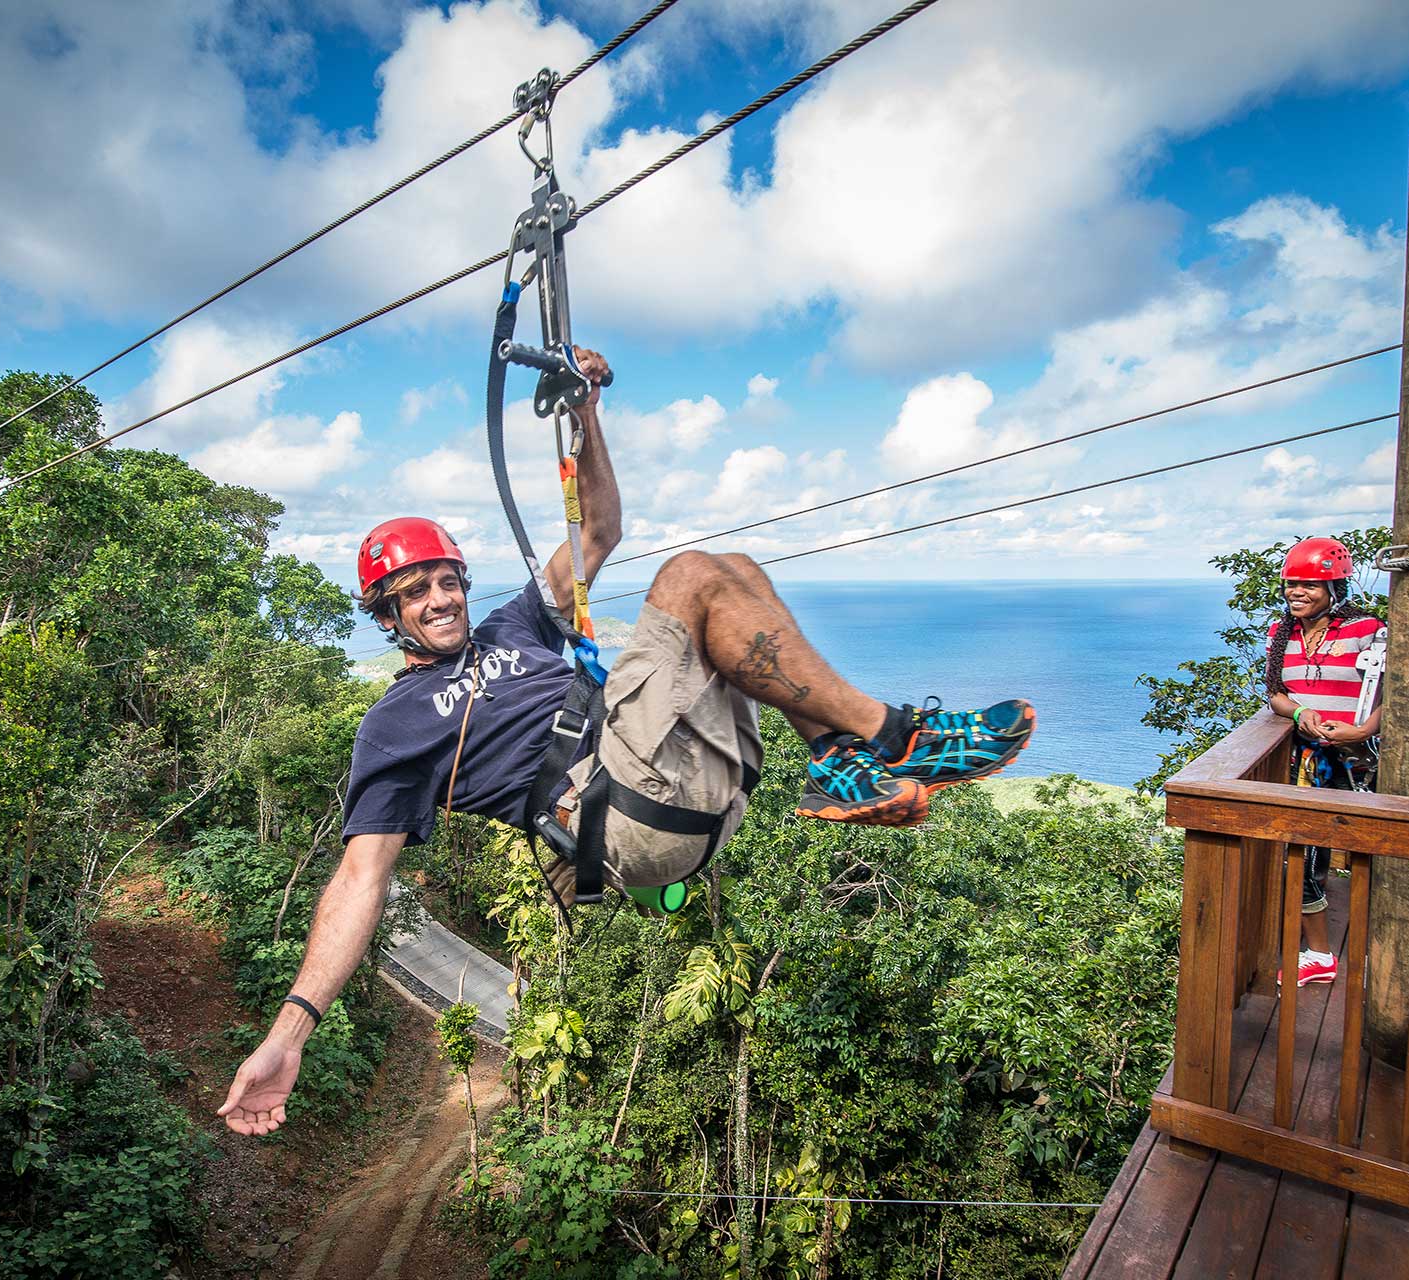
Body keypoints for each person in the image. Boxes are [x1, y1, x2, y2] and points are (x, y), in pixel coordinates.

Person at [219, 346, 1034, 1135]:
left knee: (737, 570)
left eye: (445, 580)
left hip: (687, 776)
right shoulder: (392, 726)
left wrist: (587, 415)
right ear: (388, 615)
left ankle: (840, 767)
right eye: (414, 592)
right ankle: (900, 737)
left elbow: (598, 532)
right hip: (620, 812)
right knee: (690, 577)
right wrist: (289, 1032)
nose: (439, 599)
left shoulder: (513, 624)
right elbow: (361, 880)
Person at [1264, 536, 1383, 988]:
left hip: (1359, 761)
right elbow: (1276, 694)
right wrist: (1299, 712)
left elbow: (1396, 691)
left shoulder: (1367, 630)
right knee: (1304, 853)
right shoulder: (1282, 635)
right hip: (1308, 760)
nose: (1297, 592)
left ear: (1335, 589)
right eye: (1292, 584)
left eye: (1310, 585)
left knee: (1372, 853)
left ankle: (1379, 949)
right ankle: (1320, 953)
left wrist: (1365, 729)